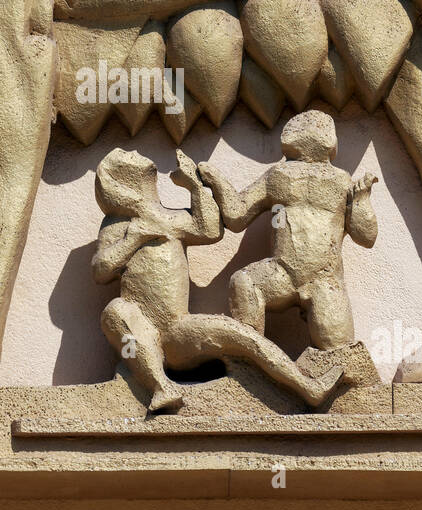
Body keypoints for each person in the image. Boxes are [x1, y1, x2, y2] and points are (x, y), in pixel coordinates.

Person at [92, 148, 344, 413]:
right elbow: (101, 270)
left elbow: (209, 229)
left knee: (243, 335)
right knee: (117, 312)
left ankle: (308, 387)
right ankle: (160, 387)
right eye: (126, 154)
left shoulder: (169, 219)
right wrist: (132, 239)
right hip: (142, 328)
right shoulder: (117, 224)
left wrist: (194, 185)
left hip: (179, 332)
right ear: (123, 179)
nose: (133, 151)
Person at [198, 110, 378, 351]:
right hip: (281, 272)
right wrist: (216, 180)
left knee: (339, 351)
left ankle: (268, 365)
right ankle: (252, 358)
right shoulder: (279, 176)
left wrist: (361, 200)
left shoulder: (341, 181)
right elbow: (237, 216)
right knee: (245, 282)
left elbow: (366, 236)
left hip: (324, 280)